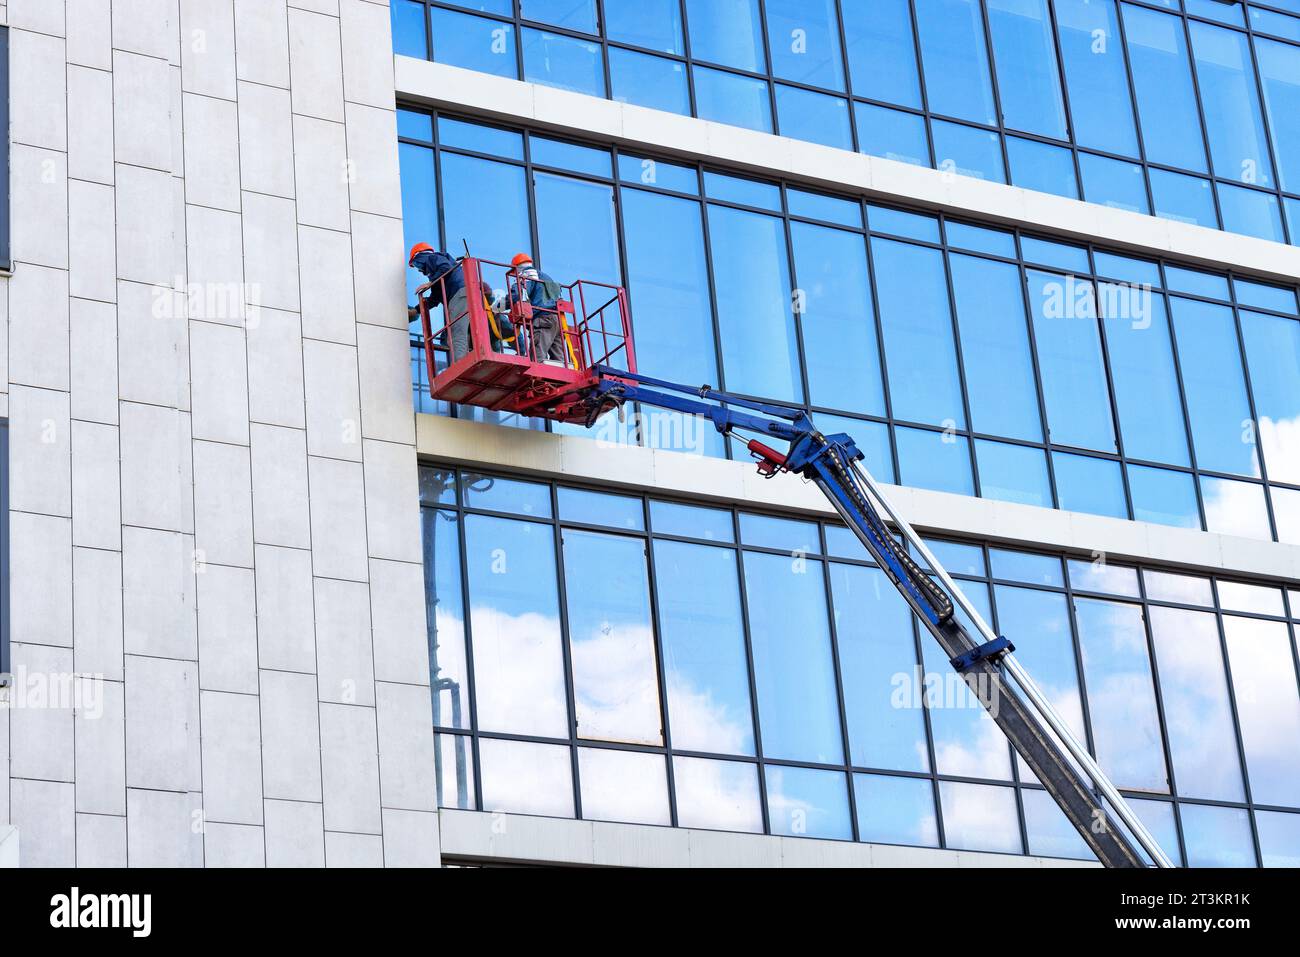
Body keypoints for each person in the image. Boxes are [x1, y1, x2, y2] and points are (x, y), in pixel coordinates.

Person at [408, 242, 472, 363]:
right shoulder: (436, 272)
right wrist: (416, 310)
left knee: (456, 331)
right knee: (452, 334)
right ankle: (464, 360)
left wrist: (429, 283)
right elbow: (435, 297)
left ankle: (460, 364)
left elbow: (445, 267)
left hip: (459, 294)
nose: (419, 270)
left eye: (416, 265)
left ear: (419, 257)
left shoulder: (432, 258)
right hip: (462, 295)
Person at [509, 253, 568, 364]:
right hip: (557, 320)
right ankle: (556, 381)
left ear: (517, 268)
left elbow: (518, 294)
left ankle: (535, 380)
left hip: (543, 320)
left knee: (536, 358)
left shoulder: (528, 273)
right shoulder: (545, 276)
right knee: (559, 361)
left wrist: (503, 304)